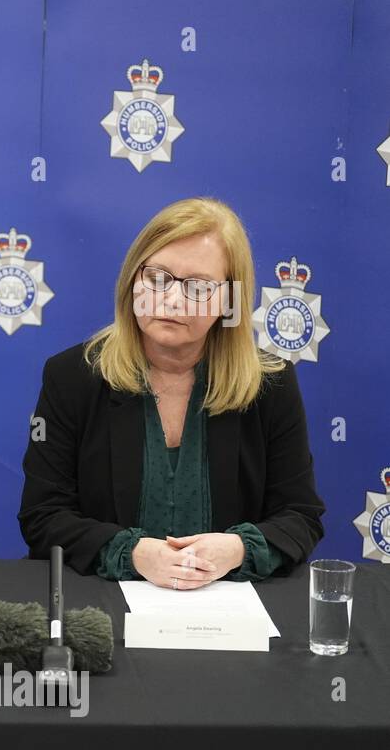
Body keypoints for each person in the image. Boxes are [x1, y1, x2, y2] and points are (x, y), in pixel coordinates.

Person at [19, 197, 324, 588]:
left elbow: (300, 517)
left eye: (198, 286)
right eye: (158, 277)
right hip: (104, 599)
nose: (172, 299)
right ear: (133, 280)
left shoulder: (270, 384)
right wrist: (132, 553)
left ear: (229, 301)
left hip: (225, 603)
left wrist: (237, 550)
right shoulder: (72, 377)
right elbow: (43, 516)